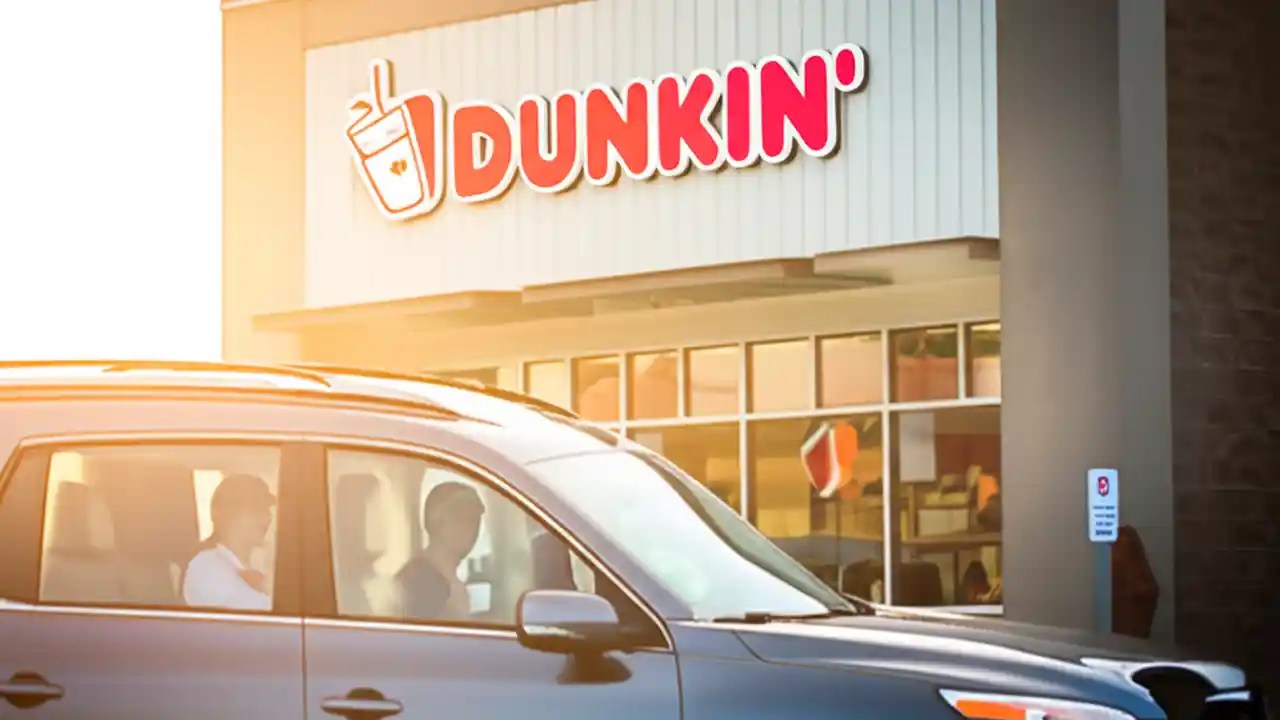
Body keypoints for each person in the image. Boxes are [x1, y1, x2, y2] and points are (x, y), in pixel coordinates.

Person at [182, 474, 276, 611]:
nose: (267, 517)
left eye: (266, 510)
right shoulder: (206, 566)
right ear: (228, 514)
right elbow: (263, 612)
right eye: (257, 510)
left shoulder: (253, 564)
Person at [396, 481, 486, 621]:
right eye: (465, 519)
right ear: (438, 521)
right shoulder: (421, 584)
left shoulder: (446, 581)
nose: (474, 529)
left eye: (476, 520)